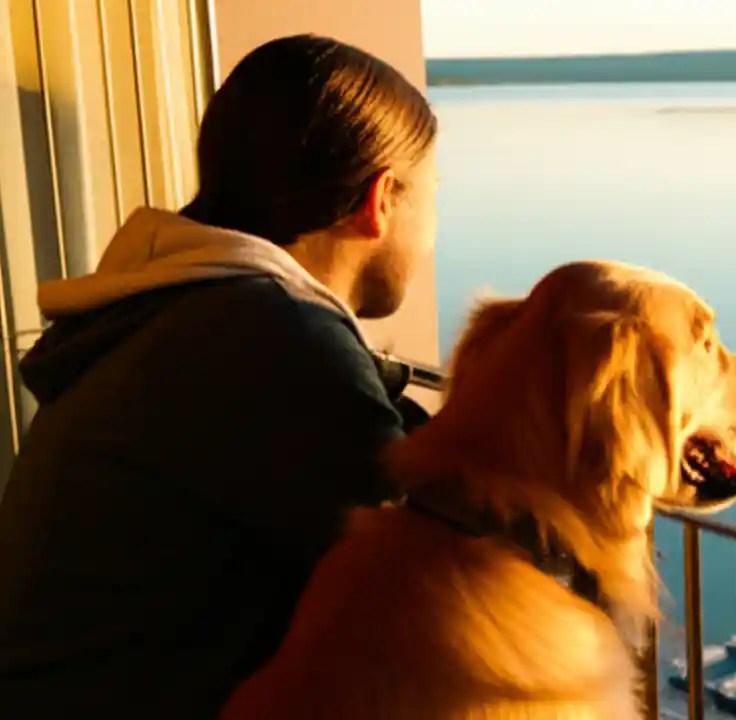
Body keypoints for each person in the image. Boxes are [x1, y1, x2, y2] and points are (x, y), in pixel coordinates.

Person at [0, 34, 438, 718]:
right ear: (380, 199)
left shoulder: (186, 315)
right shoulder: (268, 335)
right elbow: (453, 583)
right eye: (431, 199)